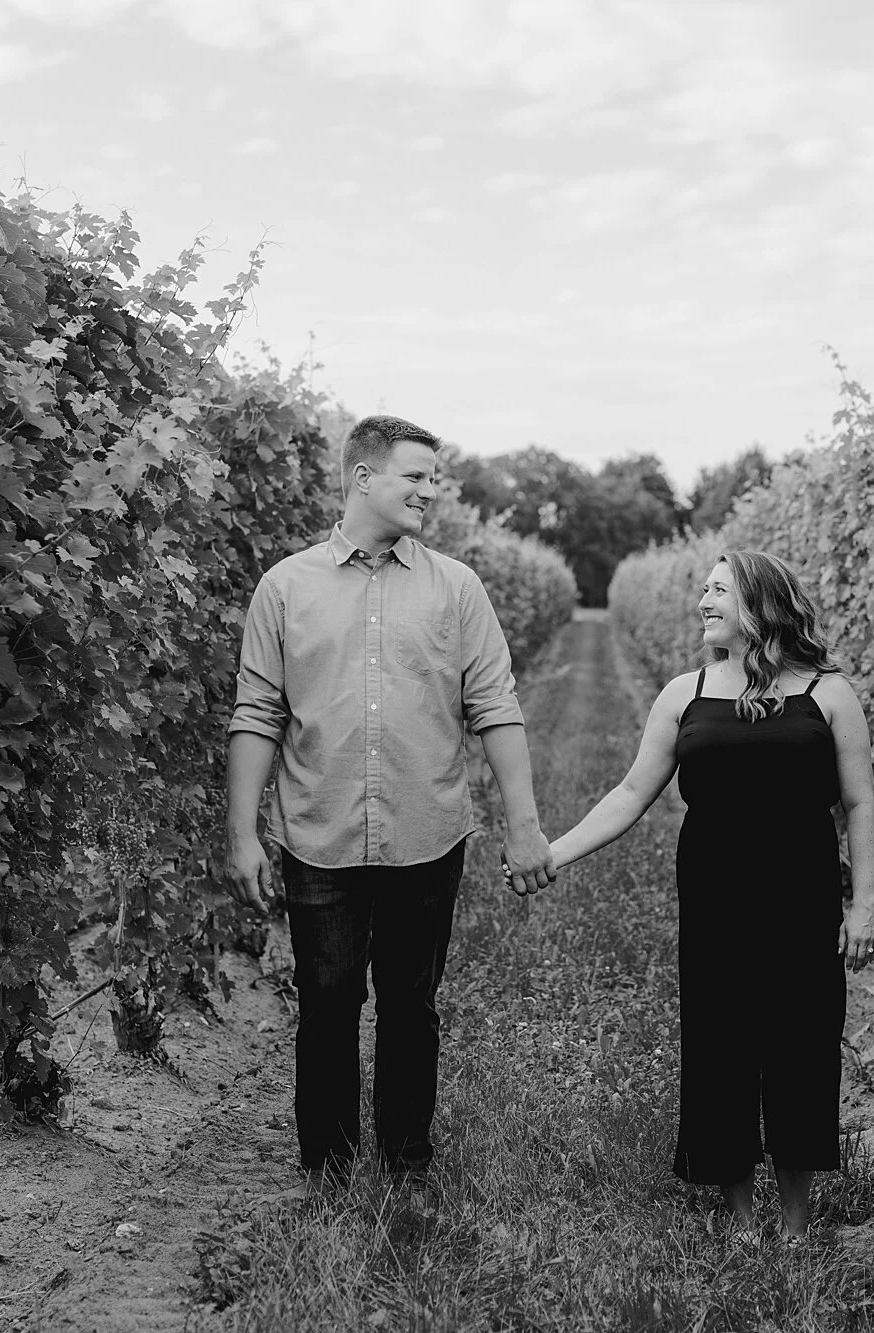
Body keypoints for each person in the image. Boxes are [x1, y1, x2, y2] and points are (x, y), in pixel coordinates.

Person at [223, 413, 557, 1189]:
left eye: (432, 481)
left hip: (427, 830)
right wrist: (243, 832)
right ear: (363, 477)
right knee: (328, 1001)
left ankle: (407, 1161)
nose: (429, 494)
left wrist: (525, 824)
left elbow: (496, 707)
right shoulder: (286, 587)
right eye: (416, 477)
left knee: (412, 1005)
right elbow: (257, 714)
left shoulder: (456, 587)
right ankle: (328, 1166)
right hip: (319, 829)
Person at [544, 549, 874, 1242]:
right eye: (702, 587)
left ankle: (793, 1220)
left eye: (718, 590)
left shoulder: (829, 693)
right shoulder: (685, 692)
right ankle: (740, 1215)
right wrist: (555, 852)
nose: (702, 599)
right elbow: (633, 793)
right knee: (719, 1045)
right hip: (714, 900)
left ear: (760, 604)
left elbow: (858, 803)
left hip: (802, 900)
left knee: (801, 1048)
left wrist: (865, 903)